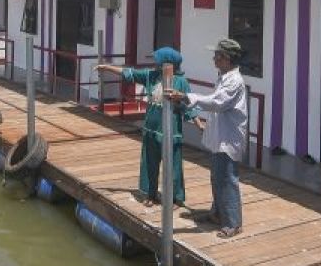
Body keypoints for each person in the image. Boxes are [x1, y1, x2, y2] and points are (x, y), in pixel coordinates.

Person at [168, 38, 248, 238]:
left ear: (227, 59)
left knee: (227, 179)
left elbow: (217, 102)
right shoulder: (224, 76)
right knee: (217, 177)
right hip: (219, 137)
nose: (214, 59)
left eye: (218, 56)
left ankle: (233, 223)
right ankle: (217, 213)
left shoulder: (234, 81)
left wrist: (187, 97)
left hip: (227, 139)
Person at [96, 48, 197, 208]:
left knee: (173, 166)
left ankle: (175, 197)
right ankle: (151, 193)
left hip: (171, 132)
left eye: (158, 61)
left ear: (167, 63)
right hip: (151, 129)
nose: (154, 63)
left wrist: (198, 123)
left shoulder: (181, 82)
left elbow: (189, 105)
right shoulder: (151, 76)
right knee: (150, 163)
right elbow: (129, 73)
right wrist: (106, 67)